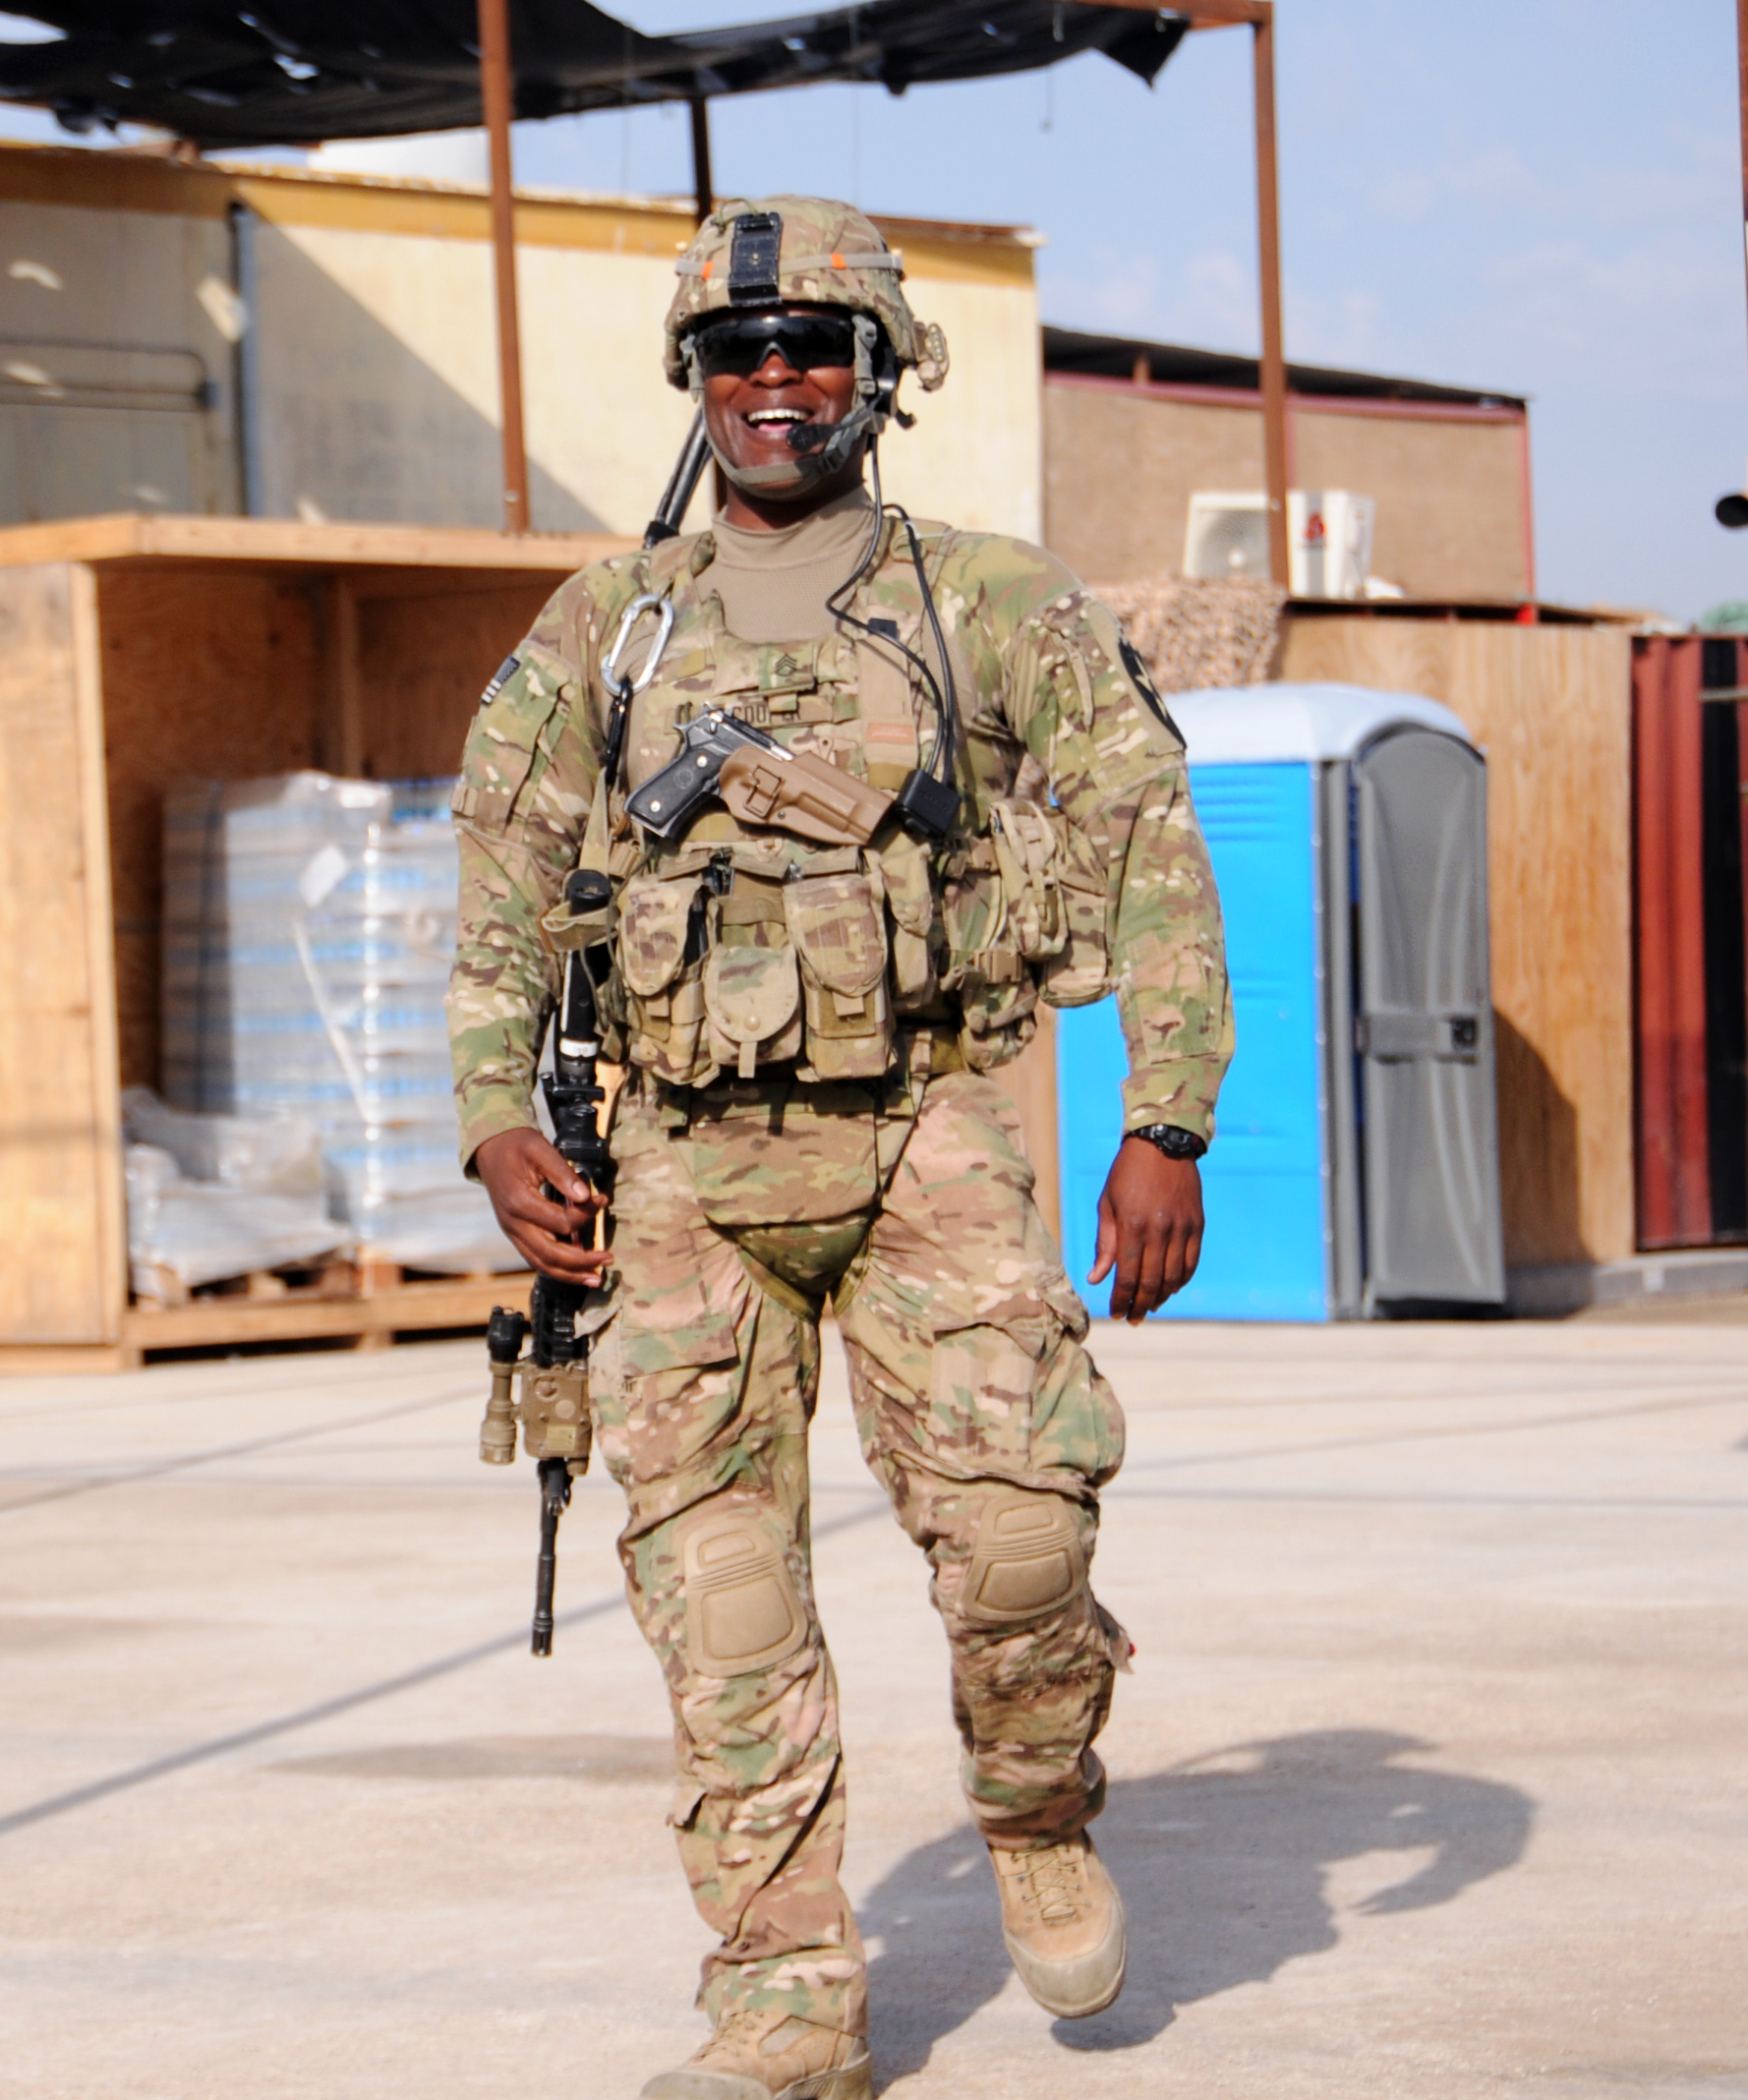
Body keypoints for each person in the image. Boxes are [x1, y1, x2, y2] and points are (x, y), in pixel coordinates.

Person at [447, 197, 1232, 2100]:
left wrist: (1166, 1115)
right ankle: (785, 2013)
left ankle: (1035, 1802)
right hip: (680, 1180)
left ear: (880, 371)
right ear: (693, 382)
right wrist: (491, 1122)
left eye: (810, 347)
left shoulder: (989, 601)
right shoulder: (608, 630)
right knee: (722, 1603)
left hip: (928, 1136)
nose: (772, 382)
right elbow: (498, 867)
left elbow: (1146, 838)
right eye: (738, 353)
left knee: (1028, 1537)